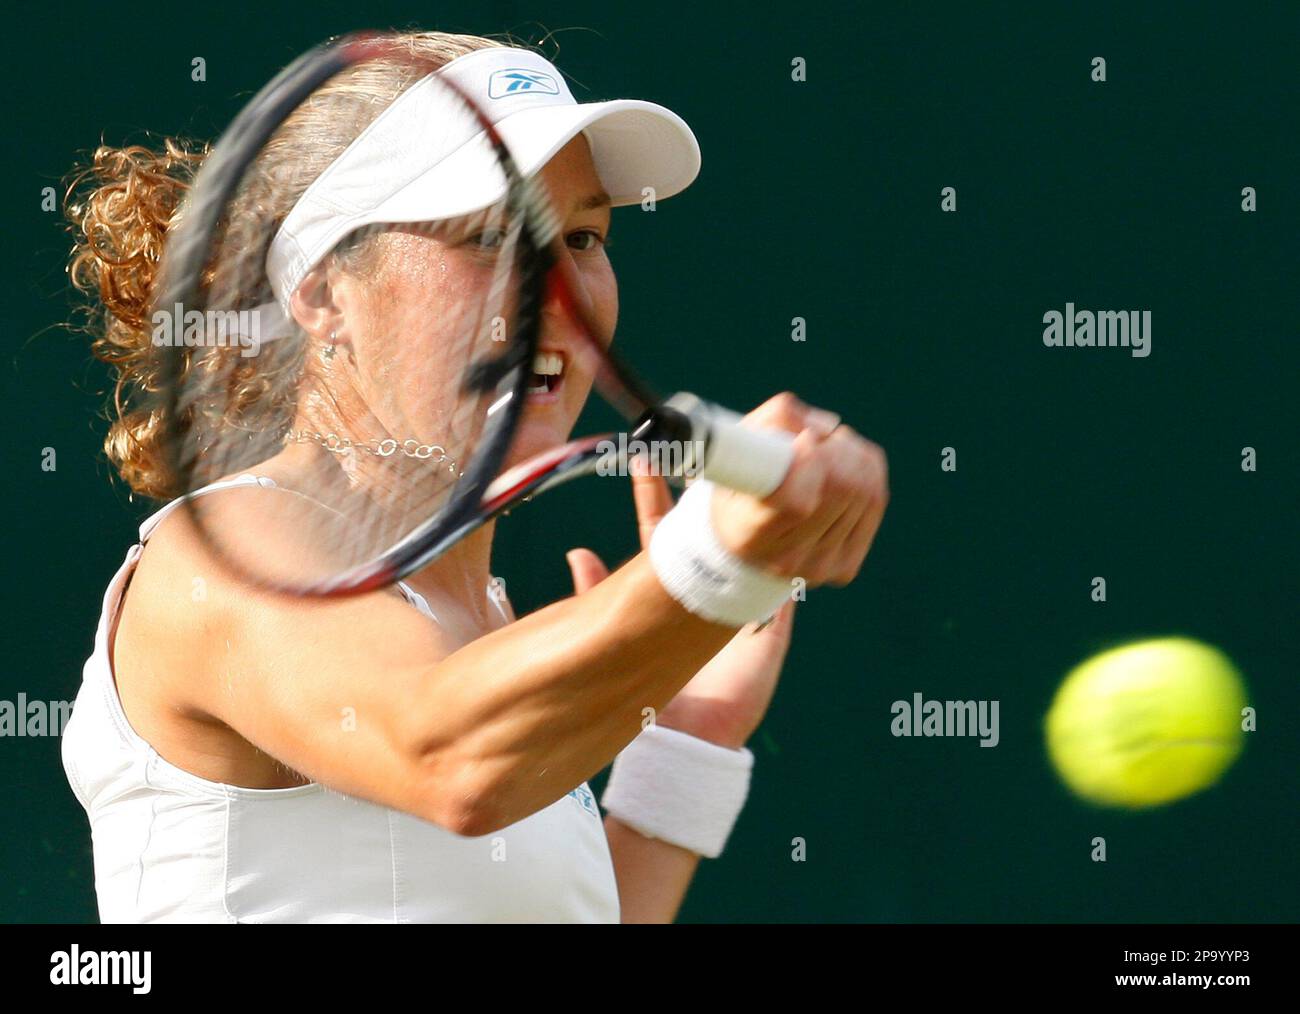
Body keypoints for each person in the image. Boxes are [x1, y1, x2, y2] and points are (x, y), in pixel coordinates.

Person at [60, 30, 888, 923]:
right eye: (490, 234)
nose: (558, 291)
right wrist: (706, 569)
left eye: (581, 235)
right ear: (323, 292)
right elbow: (451, 759)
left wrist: (681, 747)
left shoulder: (488, 627)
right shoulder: (223, 557)